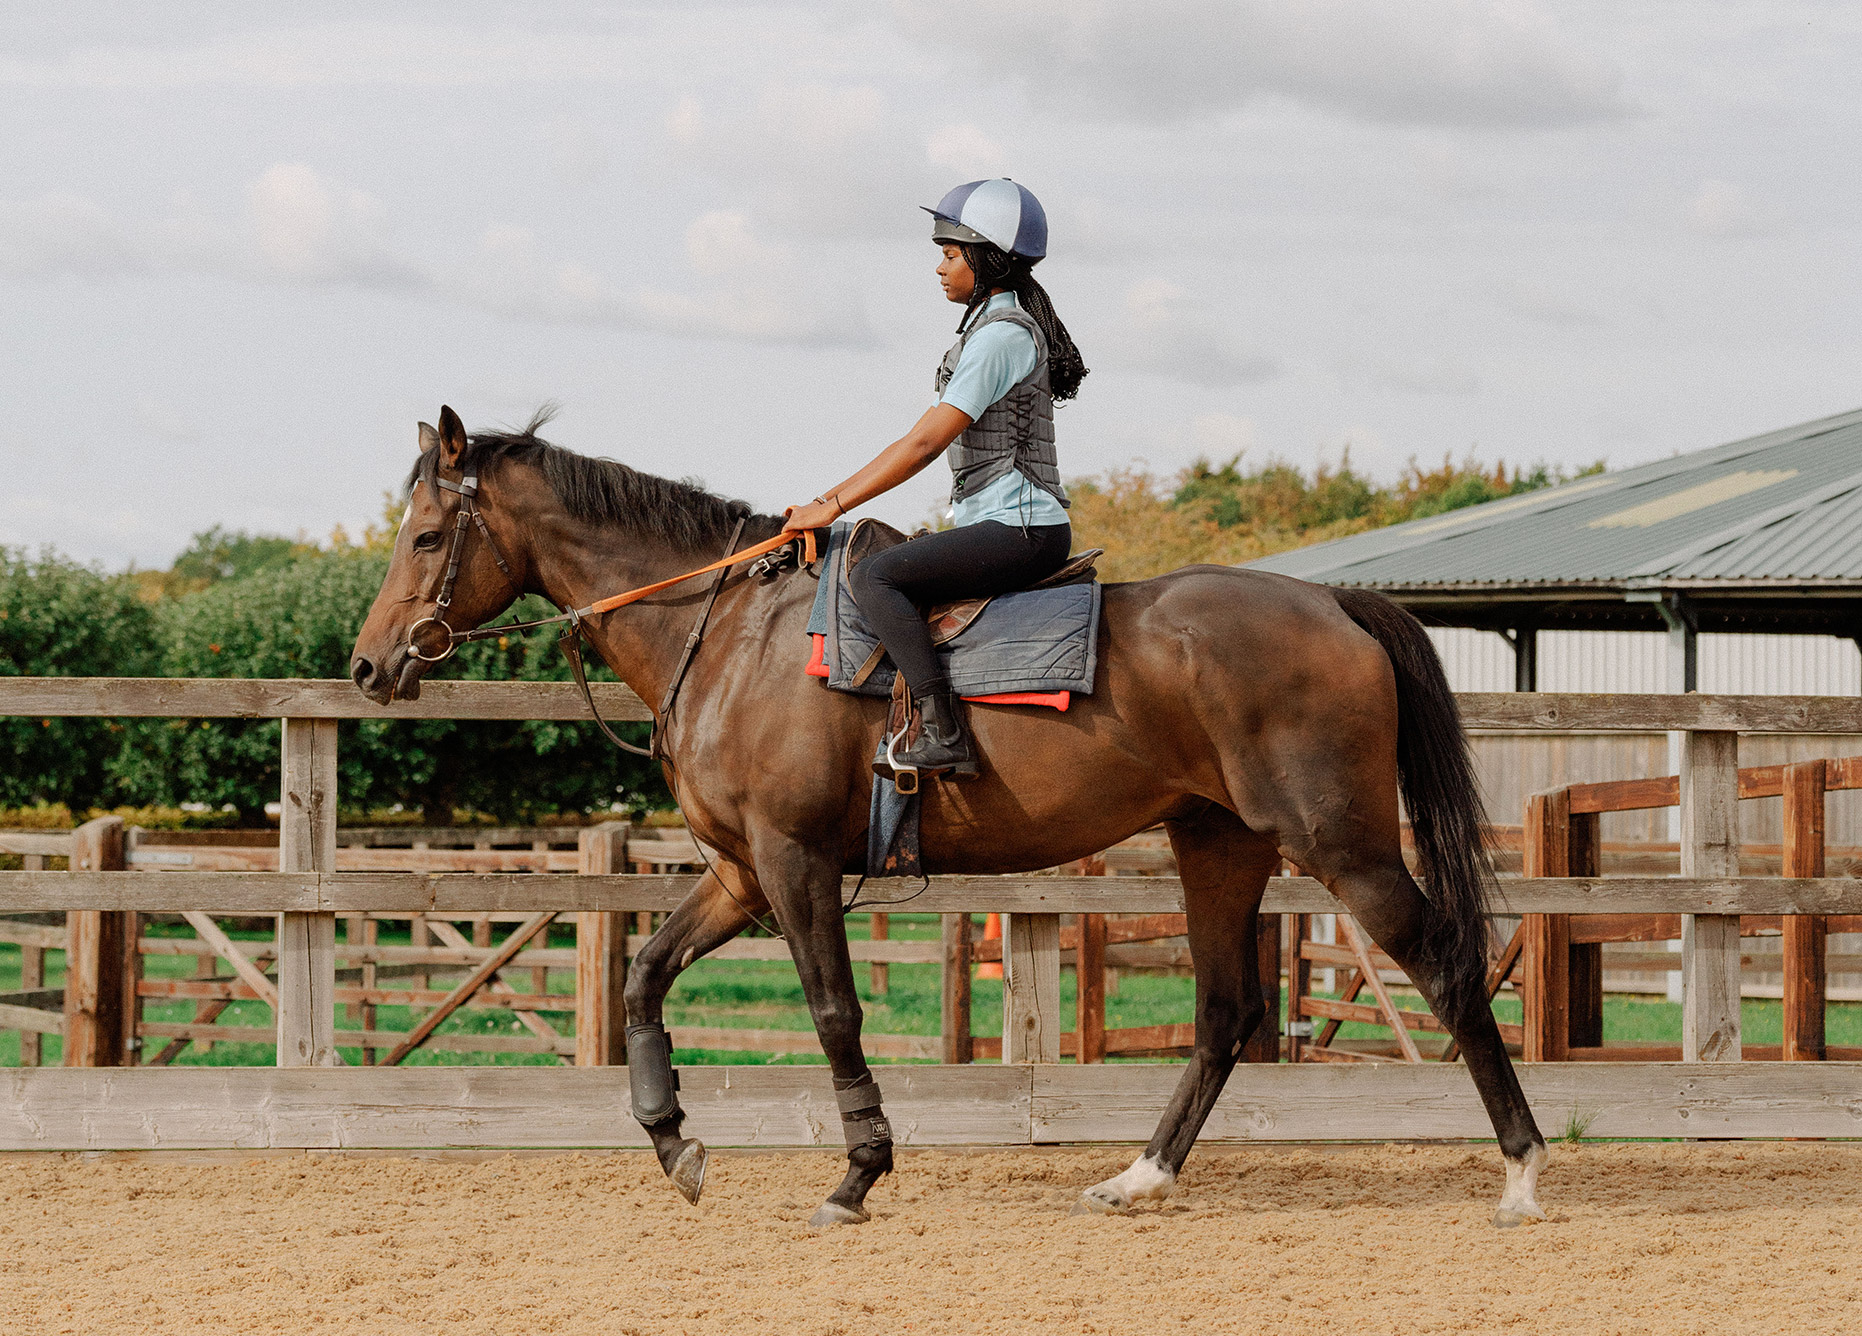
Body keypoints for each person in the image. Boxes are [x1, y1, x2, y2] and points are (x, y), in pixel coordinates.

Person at [782, 178, 1089, 780]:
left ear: (987, 259)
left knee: (876, 576)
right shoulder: (992, 329)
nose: (940, 268)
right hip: (1001, 523)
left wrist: (830, 504)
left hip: (1021, 529)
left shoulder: (1002, 336)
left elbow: (924, 443)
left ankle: (942, 728)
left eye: (951, 255)